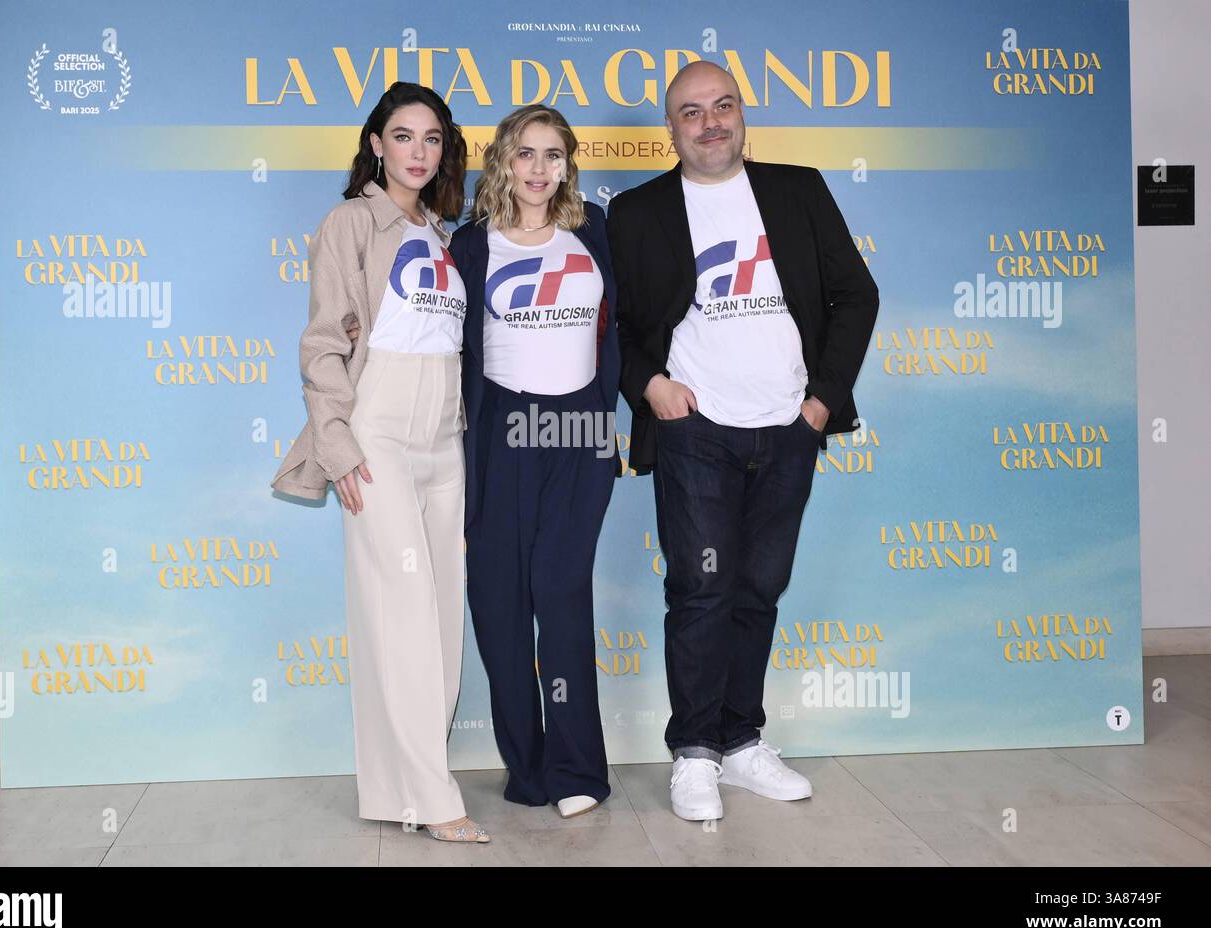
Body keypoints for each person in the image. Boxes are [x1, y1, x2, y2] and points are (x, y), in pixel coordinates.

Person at [606, 60, 879, 821]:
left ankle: (741, 741)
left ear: (741, 114)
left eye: (723, 105)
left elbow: (857, 294)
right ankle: (694, 753)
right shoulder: (635, 212)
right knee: (700, 592)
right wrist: (651, 387)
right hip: (695, 434)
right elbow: (617, 327)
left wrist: (821, 403)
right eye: (692, 112)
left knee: (758, 589)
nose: (711, 122)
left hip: (789, 431)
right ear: (671, 128)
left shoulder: (797, 190)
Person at [270, 81, 489, 844]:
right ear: (375, 144)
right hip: (380, 438)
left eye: (432, 139)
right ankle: (436, 799)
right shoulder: (349, 223)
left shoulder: (442, 232)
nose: (418, 152)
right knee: (400, 614)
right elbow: (324, 340)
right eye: (403, 137)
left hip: (445, 444)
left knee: (438, 620)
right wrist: (338, 446)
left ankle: (403, 790)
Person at [448, 105, 621, 818]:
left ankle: (577, 767)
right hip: (500, 430)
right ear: (503, 163)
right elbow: (444, 342)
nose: (540, 169)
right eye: (526, 154)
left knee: (559, 591)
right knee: (498, 605)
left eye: (554, 155)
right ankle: (527, 767)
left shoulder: (594, 232)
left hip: (579, 431)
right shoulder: (469, 245)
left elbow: (632, 322)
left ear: (568, 164)